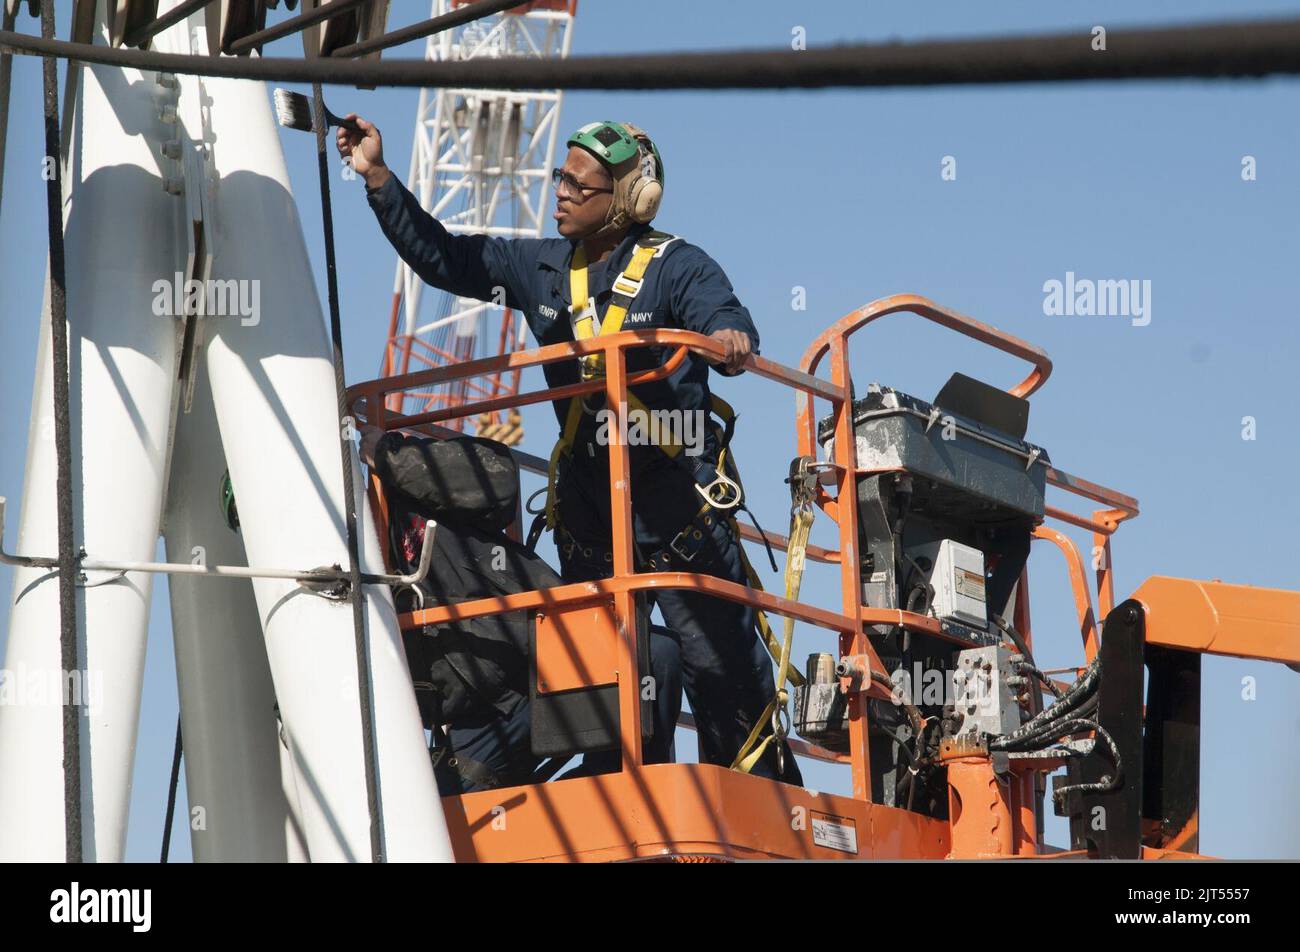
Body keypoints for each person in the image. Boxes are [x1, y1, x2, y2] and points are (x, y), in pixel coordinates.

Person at [342, 115, 800, 784]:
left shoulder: (676, 266)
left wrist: (730, 340)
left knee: (722, 669)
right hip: (591, 504)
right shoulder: (541, 267)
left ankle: (750, 812)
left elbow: (722, 316)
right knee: (598, 665)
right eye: (560, 177)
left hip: (675, 506)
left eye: (576, 185)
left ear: (625, 201)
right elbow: (446, 257)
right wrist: (378, 178)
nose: (558, 191)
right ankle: (623, 796)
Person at [359, 424, 682, 794]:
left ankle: (620, 791)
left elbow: (498, 476)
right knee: (446, 816)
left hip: (541, 654)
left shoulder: (407, 488)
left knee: (654, 654)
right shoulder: (351, 557)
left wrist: (390, 455)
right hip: (480, 710)